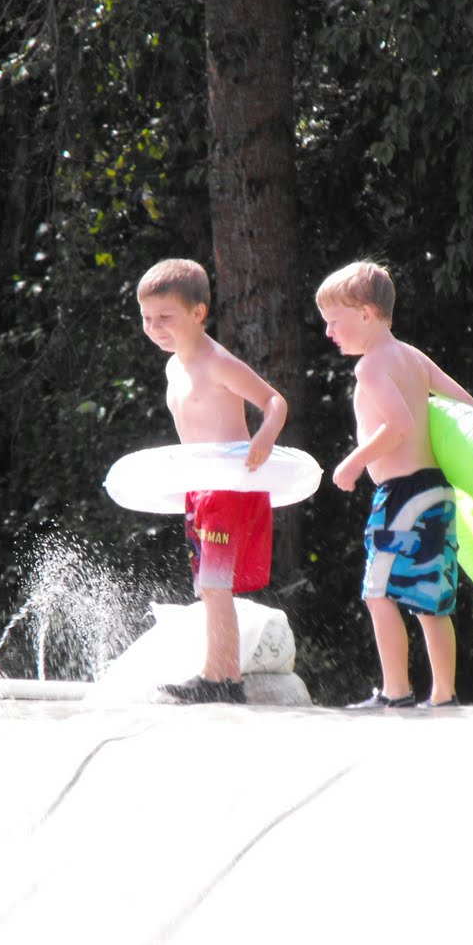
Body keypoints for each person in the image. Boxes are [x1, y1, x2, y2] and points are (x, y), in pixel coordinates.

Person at [316, 261, 473, 709]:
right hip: (436, 492)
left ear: (366, 314)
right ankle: (443, 696)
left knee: (377, 592)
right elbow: (467, 405)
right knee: (431, 601)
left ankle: (396, 692)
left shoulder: (370, 367)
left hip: (402, 495)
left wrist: (350, 464)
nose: (328, 332)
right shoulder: (412, 356)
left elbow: (399, 425)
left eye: (334, 321)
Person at [137, 258, 289, 704]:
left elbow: (274, 401)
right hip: (200, 490)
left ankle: (219, 680)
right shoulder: (174, 369)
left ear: (198, 313)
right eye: (147, 318)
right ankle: (224, 677)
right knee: (208, 586)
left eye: (165, 317)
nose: (154, 327)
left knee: (216, 585)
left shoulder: (216, 362)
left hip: (229, 489)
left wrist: (263, 438)